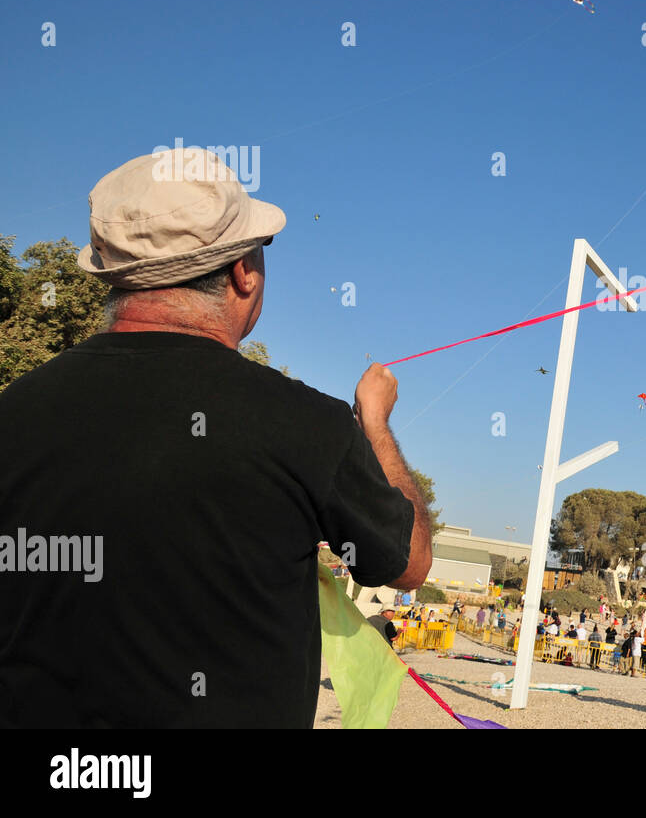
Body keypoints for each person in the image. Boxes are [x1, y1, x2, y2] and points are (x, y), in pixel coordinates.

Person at [0, 150, 431, 728]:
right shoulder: (305, 423)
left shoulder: (16, 411)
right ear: (242, 272)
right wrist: (373, 422)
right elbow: (407, 564)